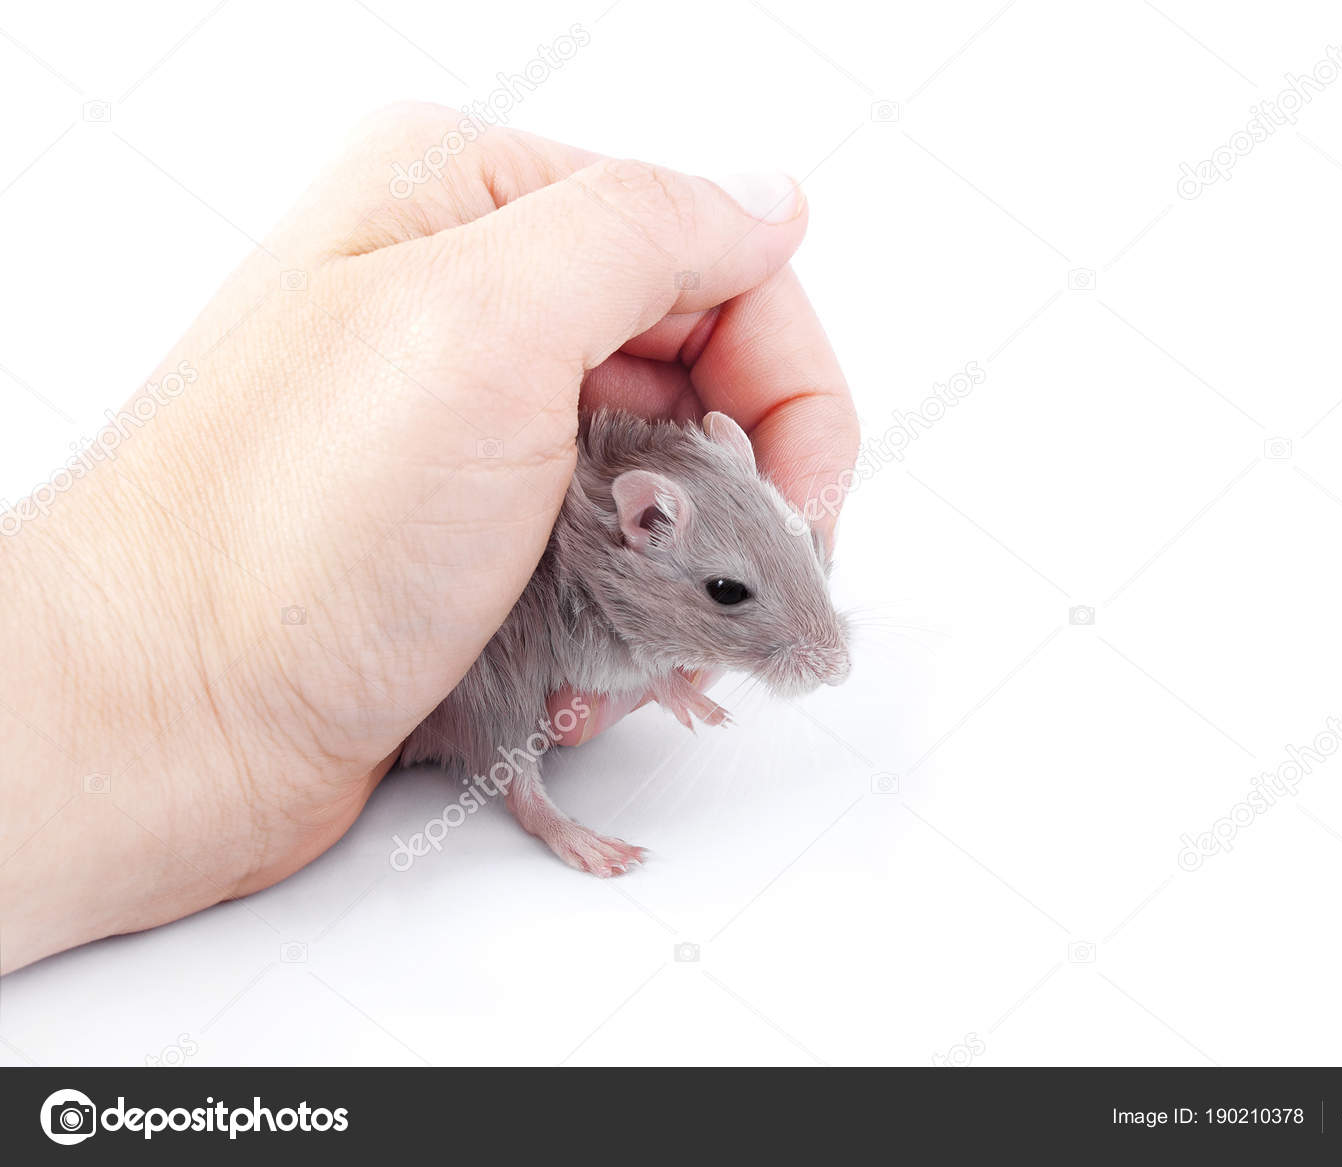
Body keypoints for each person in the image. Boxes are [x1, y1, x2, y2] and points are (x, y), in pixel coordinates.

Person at [0, 104, 858, 974]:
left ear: (730, 452)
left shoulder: (654, 520)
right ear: (645, 521)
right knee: (513, 664)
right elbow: (597, 640)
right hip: (498, 653)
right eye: (727, 593)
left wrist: (673, 676)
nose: (821, 650)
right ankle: (536, 806)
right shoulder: (610, 535)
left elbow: (628, 644)